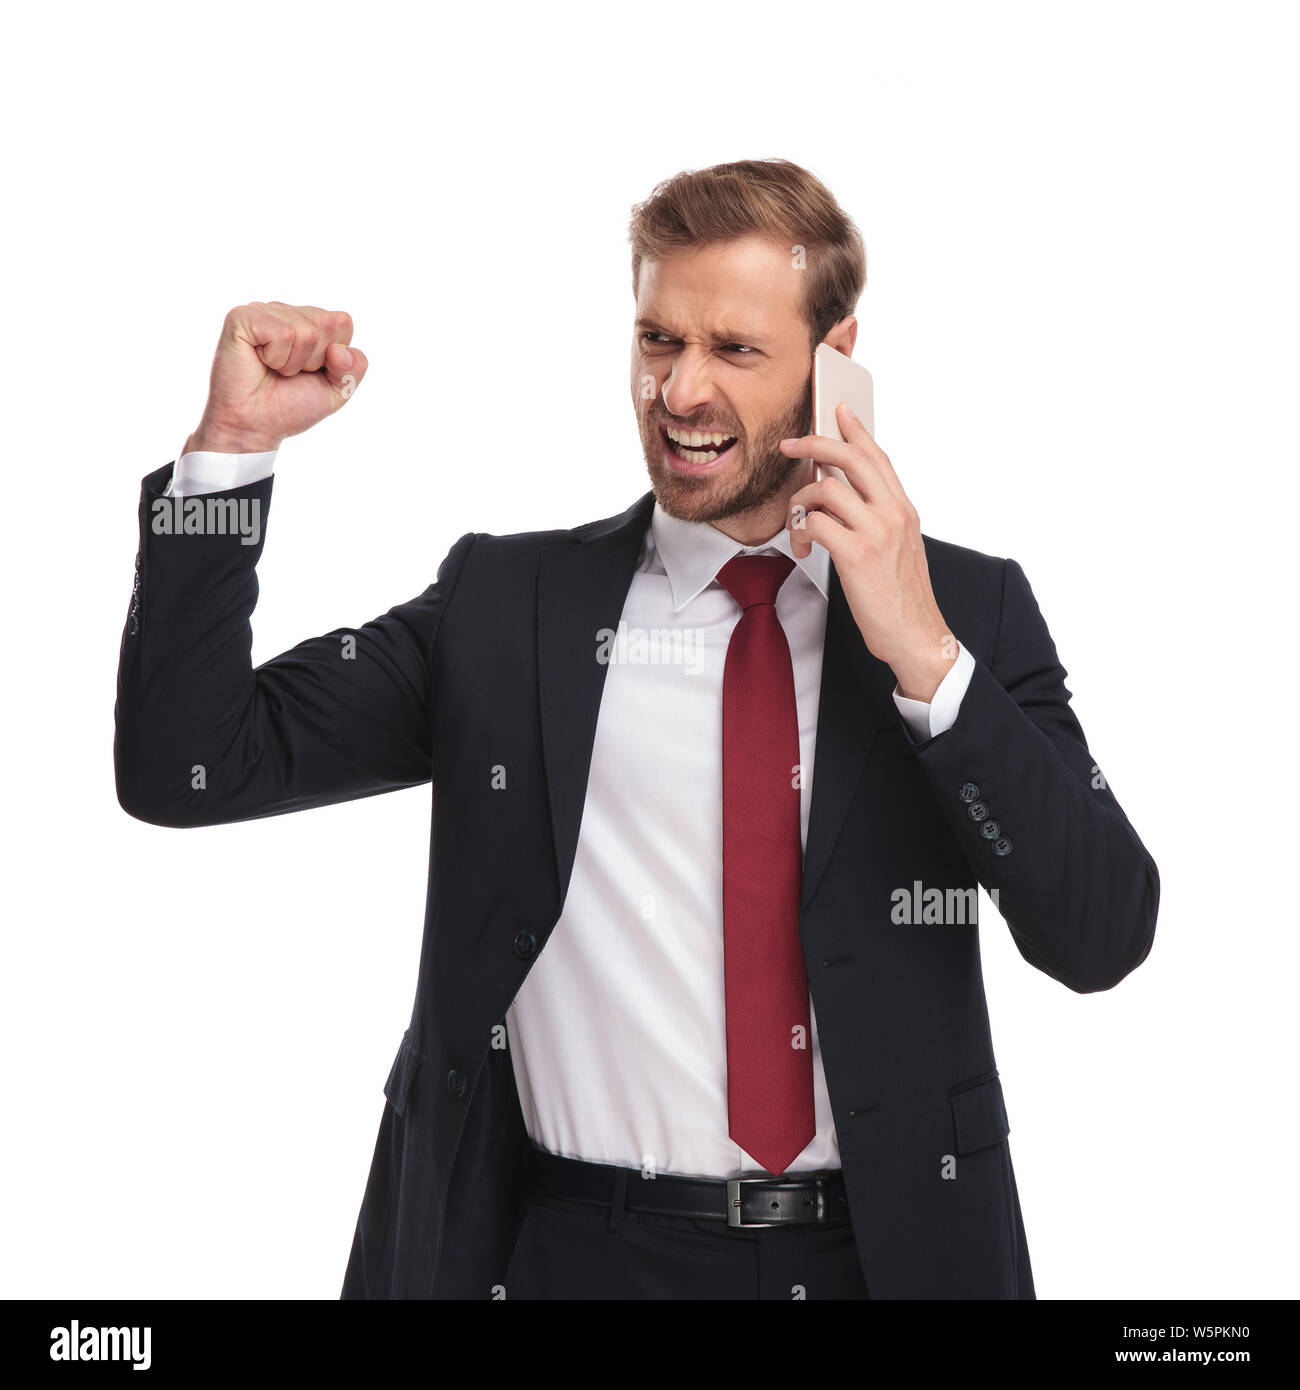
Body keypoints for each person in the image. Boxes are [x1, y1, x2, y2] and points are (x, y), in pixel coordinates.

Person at [115, 157, 1159, 1300]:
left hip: (879, 1258)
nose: (680, 391)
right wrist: (228, 451)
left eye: (735, 350)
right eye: (659, 340)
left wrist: (924, 655)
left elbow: (1100, 931)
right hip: (569, 1252)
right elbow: (190, 765)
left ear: (837, 360)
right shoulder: (506, 607)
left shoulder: (969, 609)